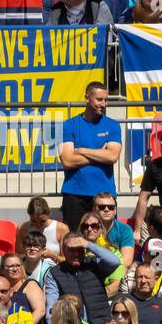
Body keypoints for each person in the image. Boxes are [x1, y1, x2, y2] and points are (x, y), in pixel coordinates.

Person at [57, 83, 122, 232]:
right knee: (74, 242)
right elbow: (67, 161)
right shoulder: (68, 126)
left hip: (104, 196)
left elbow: (112, 156)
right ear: (87, 97)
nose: (103, 104)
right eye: (99, 99)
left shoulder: (113, 126)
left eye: (106, 100)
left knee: (107, 242)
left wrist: (82, 150)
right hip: (74, 195)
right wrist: (99, 153)